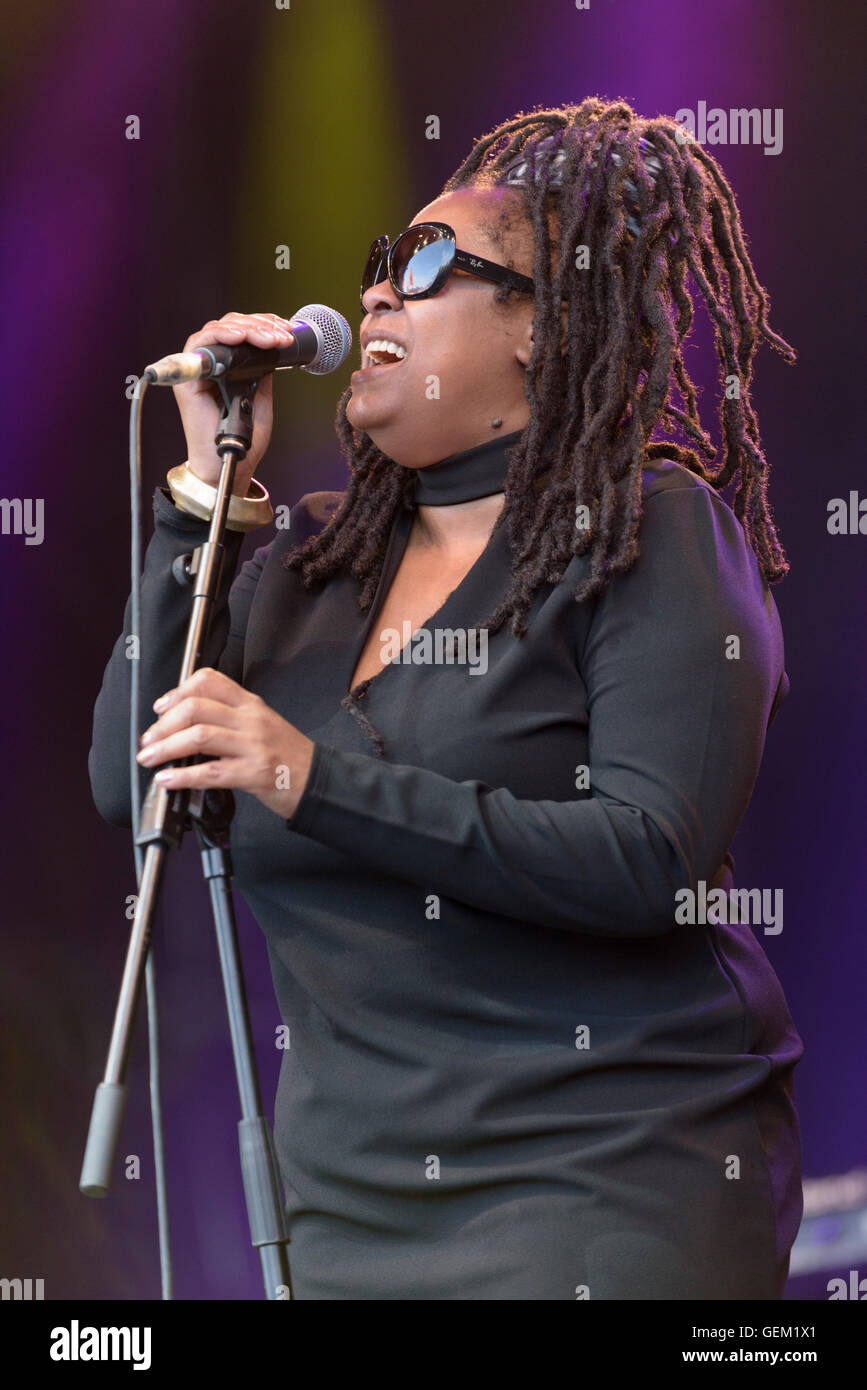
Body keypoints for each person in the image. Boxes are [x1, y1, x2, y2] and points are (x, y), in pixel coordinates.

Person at [89, 98, 804, 1300]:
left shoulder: (647, 532)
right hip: (345, 1212)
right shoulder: (312, 563)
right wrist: (202, 499)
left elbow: (649, 856)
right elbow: (132, 782)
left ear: (542, 327)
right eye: (377, 265)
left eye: (423, 266)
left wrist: (310, 779)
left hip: (603, 1179)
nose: (376, 295)